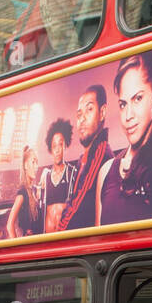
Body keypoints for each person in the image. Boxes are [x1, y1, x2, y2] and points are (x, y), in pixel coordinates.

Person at [96, 49, 152, 225]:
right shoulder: (106, 172)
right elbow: (96, 247)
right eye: (123, 104)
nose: (128, 115)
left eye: (137, 99)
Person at [57, 85, 110, 231]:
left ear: (102, 112)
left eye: (90, 109)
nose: (82, 119)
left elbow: (77, 210)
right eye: (79, 114)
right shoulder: (83, 160)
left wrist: (56, 236)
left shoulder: (101, 153)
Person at [41, 119, 77, 232]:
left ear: (65, 146)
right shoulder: (45, 176)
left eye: (60, 144)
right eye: (54, 146)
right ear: (50, 149)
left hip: (65, 231)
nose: (57, 150)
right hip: (48, 233)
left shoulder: (72, 173)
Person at [5, 146, 43, 239]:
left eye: (37, 163)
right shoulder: (22, 192)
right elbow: (9, 225)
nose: (36, 167)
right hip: (29, 245)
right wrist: (16, 247)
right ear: (25, 165)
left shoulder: (33, 190)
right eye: (33, 162)